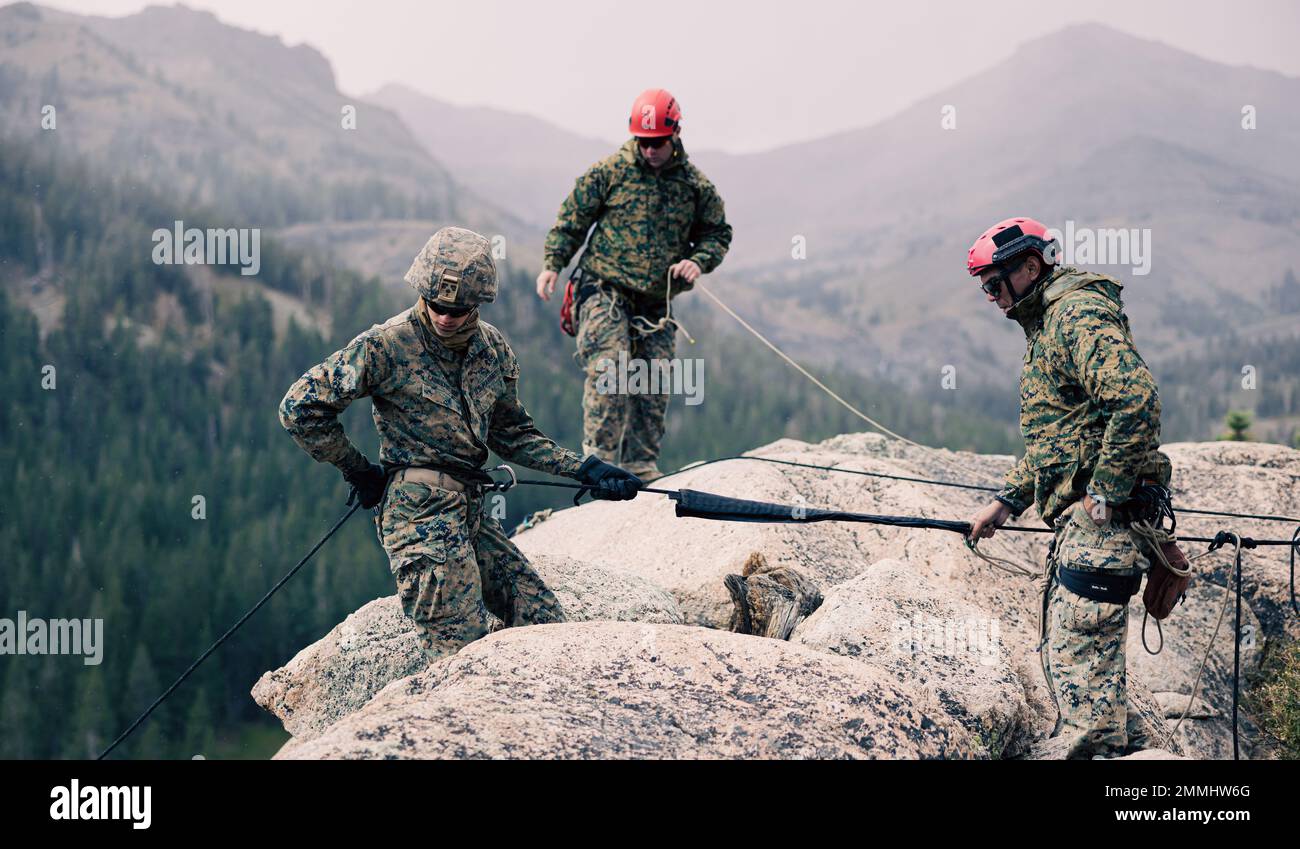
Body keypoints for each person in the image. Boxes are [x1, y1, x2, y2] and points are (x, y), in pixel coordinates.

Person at [280, 226, 642, 661]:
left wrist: (585, 469)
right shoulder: (386, 345)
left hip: (470, 510)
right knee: (461, 654)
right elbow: (300, 407)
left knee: (544, 622)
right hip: (418, 514)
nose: (445, 316)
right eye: (436, 304)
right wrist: (358, 469)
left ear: (479, 303)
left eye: (458, 308)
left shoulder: (492, 350)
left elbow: (513, 435)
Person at [963, 217, 1172, 759]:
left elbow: (1136, 398)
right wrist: (1008, 501)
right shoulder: (1048, 322)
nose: (990, 297)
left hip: (1101, 529)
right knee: (1081, 669)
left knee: (1083, 682)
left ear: (1030, 267)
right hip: (1089, 526)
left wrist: (1101, 496)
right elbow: (1061, 440)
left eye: (992, 284)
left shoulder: (1073, 315)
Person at [536, 88, 732, 481]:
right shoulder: (609, 173)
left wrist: (698, 261)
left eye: (657, 142)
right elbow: (572, 219)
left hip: (655, 302)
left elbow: (717, 233)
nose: (650, 150)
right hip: (602, 288)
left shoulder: (695, 187)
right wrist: (553, 264)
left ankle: (641, 465)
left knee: (653, 379)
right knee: (611, 367)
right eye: (643, 142)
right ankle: (601, 462)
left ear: (674, 134)